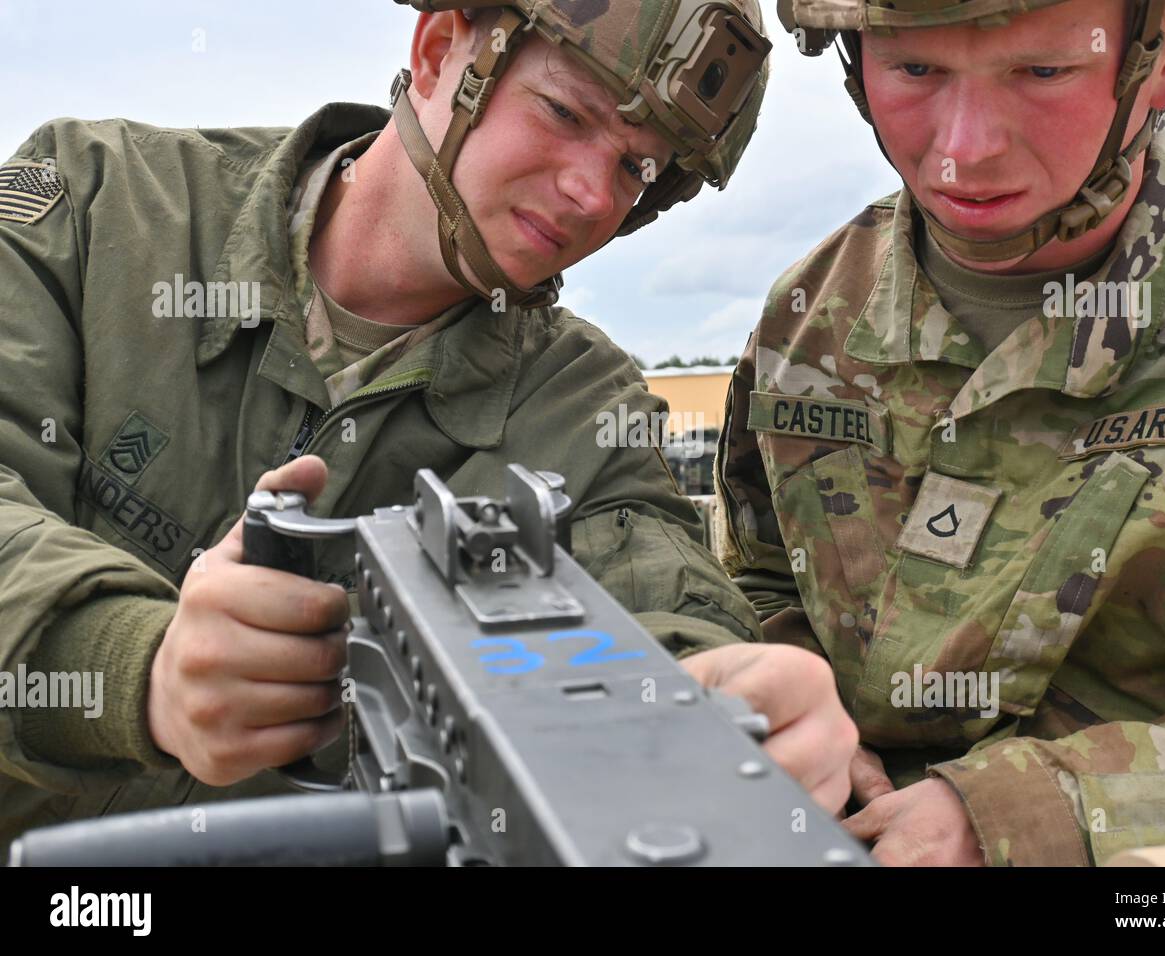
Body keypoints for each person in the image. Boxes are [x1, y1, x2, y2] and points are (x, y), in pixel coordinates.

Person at [0, 0, 858, 852]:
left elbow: (657, 600)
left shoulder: (583, 401)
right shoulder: (98, 204)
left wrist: (711, 696)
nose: (593, 193)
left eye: (636, 168)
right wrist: (136, 662)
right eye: (564, 112)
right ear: (443, 47)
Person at [717, 0, 1165, 865]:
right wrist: (806, 716)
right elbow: (763, 576)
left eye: (1041, 71)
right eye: (916, 70)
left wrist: (1026, 813)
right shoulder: (807, 318)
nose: (966, 146)